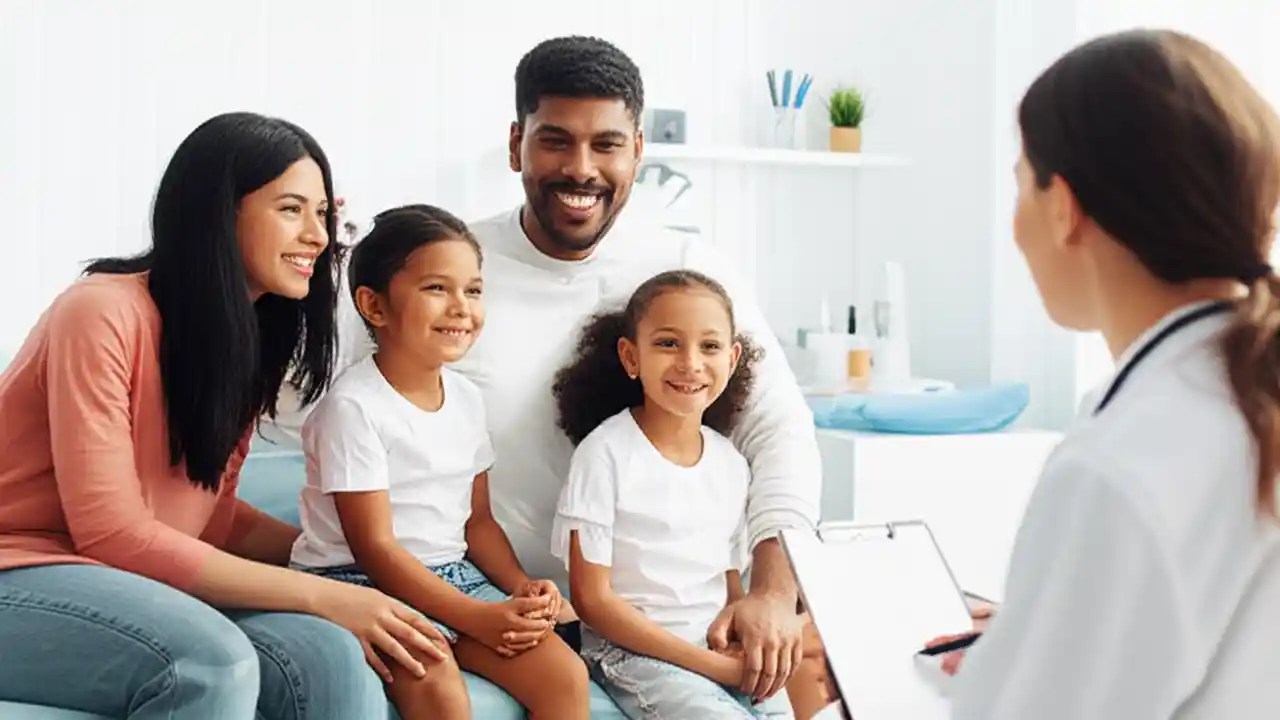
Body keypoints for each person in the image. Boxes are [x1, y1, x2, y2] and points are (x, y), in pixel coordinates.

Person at [0, 113, 447, 719]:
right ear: (219, 212)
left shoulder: (250, 339)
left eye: (323, 214)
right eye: (292, 209)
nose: (317, 236)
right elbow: (111, 532)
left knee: (333, 657)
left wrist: (353, 571)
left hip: (135, 582)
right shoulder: (100, 312)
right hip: (21, 567)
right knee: (209, 662)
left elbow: (209, 516)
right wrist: (318, 593)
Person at [455, 35, 824, 709]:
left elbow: (781, 431)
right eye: (555, 141)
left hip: (689, 619)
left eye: (607, 144)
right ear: (516, 145)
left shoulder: (686, 264)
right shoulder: (453, 270)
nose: (581, 170)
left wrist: (772, 592)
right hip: (531, 613)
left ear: (638, 150)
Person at [930, 30, 1280, 718]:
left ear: (1063, 207)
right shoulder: (1227, 396)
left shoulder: (1120, 465)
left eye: (1020, 186)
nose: (1014, 227)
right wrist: (1046, 630)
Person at [291, 204, 590, 720]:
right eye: (436, 289)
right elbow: (375, 549)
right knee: (439, 692)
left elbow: (476, 522)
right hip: (359, 582)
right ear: (374, 306)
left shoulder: (468, 399)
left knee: (565, 677)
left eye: (472, 290)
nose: (461, 307)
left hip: (455, 575)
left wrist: (518, 588)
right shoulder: (354, 408)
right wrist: (478, 617)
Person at [551, 269, 771, 718]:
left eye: (709, 346)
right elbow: (592, 600)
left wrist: (736, 645)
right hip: (632, 654)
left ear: (731, 360)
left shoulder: (731, 462)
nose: (690, 363)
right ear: (631, 357)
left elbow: (729, 584)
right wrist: (711, 666)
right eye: (669, 343)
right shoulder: (605, 453)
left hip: (711, 647)